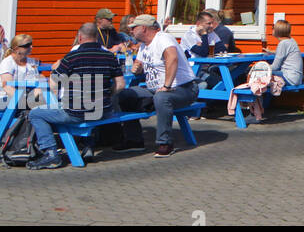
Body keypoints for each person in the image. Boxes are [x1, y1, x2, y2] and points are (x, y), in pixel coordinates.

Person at [27, 23, 125, 170]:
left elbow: (54, 82)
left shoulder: (72, 56)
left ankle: (50, 153)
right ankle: (88, 146)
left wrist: (57, 99)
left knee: (36, 114)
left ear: (79, 37)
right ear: (96, 37)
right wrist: (107, 95)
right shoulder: (109, 56)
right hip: (103, 112)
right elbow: (120, 84)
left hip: (77, 113)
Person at [114, 14, 200, 157]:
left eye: (134, 28)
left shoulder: (163, 38)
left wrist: (167, 86)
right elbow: (140, 64)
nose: (131, 31)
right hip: (154, 89)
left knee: (161, 97)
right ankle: (134, 140)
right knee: (125, 94)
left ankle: (165, 143)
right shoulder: (144, 46)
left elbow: (172, 58)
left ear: (144, 28)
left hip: (184, 89)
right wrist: (137, 67)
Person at [250, 19, 302, 122]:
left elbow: (275, 67)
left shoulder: (283, 44)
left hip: (288, 77)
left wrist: (258, 68)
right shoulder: (291, 41)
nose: (271, 30)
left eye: (273, 28)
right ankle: (258, 109)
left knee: (255, 78)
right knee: (259, 77)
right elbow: (284, 54)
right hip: (296, 77)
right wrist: (272, 52)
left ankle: (255, 114)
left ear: (277, 31)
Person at [1, 33, 40, 106]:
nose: (31, 47)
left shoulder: (31, 62)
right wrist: (24, 102)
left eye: (31, 44)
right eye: (27, 45)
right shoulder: (7, 63)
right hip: (12, 98)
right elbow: (7, 87)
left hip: (29, 95)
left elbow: (36, 82)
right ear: (16, 49)